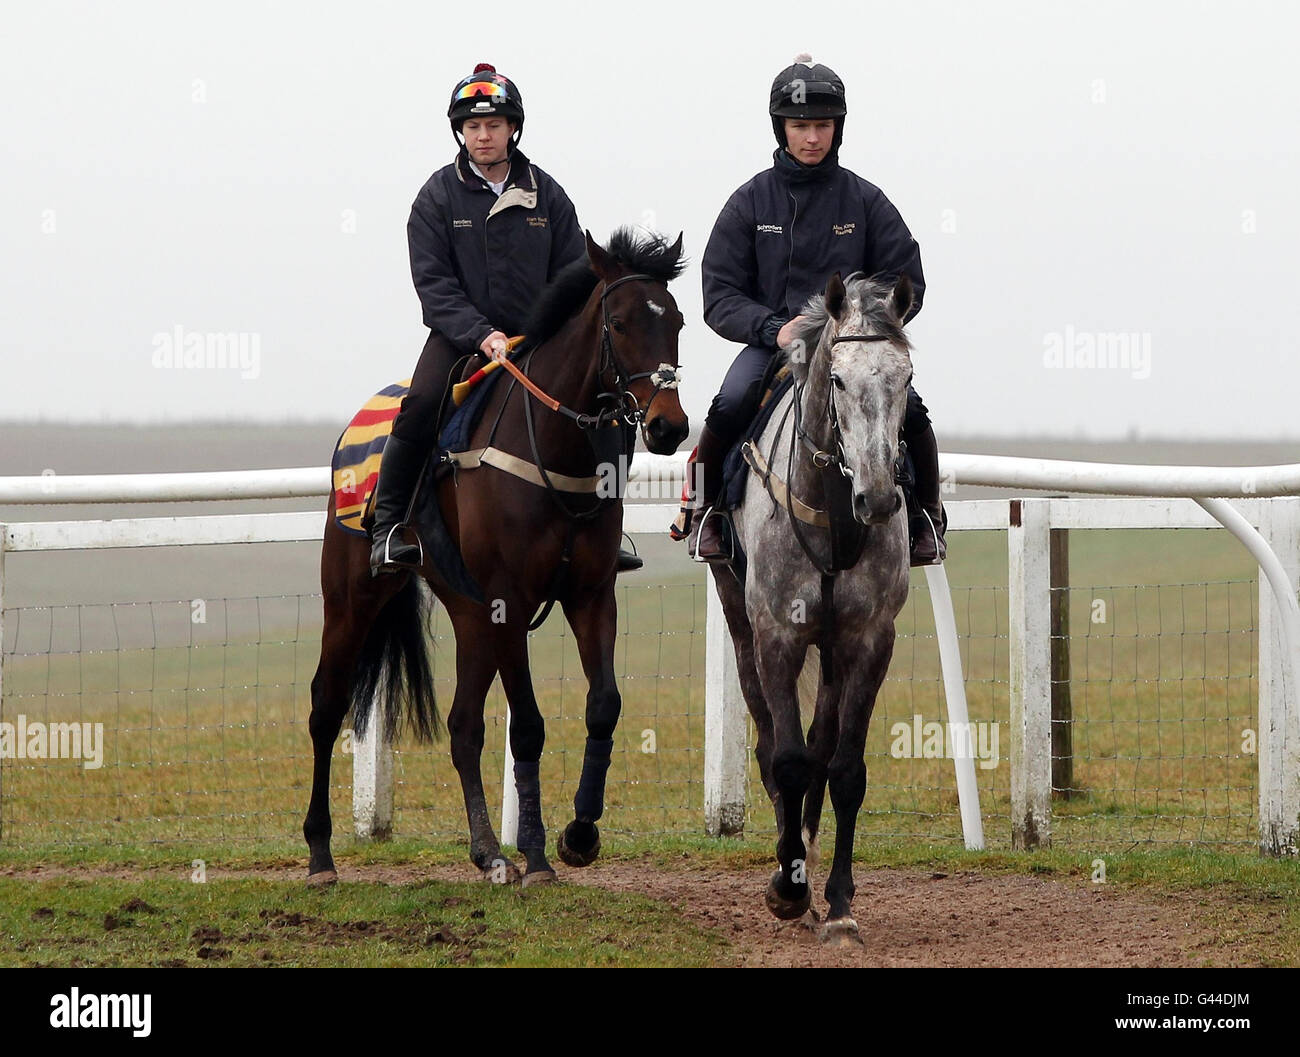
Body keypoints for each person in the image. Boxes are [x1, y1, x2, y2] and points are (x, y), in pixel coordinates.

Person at [372, 62, 643, 575]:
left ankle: (610, 520)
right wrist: (480, 334)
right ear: (459, 131)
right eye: (473, 126)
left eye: (494, 125)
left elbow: (576, 274)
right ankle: (388, 527)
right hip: (461, 339)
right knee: (422, 403)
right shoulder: (435, 197)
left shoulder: (549, 194)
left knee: (610, 410)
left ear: (513, 128)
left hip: (538, 339)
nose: (483, 135)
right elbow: (434, 287)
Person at [690, 54, 946, 566]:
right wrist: (772, 328)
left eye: (822, 126)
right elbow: (718, 294)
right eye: (800, 126)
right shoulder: (749, 202)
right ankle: (706, 514)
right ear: (781, 128)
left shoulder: (866, 201)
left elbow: (906, 280)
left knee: (913, 411)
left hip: (852, 350)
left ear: (838, 129)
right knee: (730, 402)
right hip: (775, 347)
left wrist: (864, 325)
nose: (812, 137)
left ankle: (925, 517)